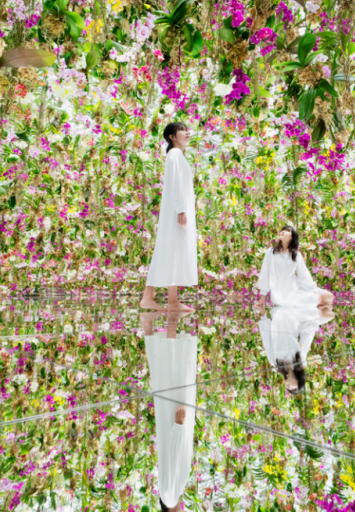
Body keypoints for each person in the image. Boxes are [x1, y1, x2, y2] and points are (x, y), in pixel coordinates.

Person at [254, 226, 335, 394]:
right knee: (324, 302)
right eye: (293, 387)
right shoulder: (270, 253)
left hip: (295, 292)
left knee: (327, 298)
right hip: (280, 296)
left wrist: (312, 290)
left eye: (287, 231)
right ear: (298, 380)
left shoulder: (275, 363)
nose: (282, 231)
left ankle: (316, 301)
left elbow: (304, 276)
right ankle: (315, 304)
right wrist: (262, 297)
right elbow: (265, 274)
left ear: (292, 237)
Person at [142, 122, 198, 312]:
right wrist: (181, 209)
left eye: (186, 129)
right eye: (182, 130)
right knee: (169, 250)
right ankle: (150, 297)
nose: (187, 132)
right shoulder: (174, 154)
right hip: (176, 211)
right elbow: (175, 183)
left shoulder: (178, 156)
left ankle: (171, 300)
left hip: (177, 210)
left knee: (172, 251)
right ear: (172, 136)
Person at [143, 312, 197, 512]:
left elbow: (173, 459)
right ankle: (149, 325)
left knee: (174, 375)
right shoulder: (171, 495)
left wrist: (177, 426)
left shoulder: (170, 497)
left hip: (176, 424)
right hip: (176, 426)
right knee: (167, 377)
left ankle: (171, 319)